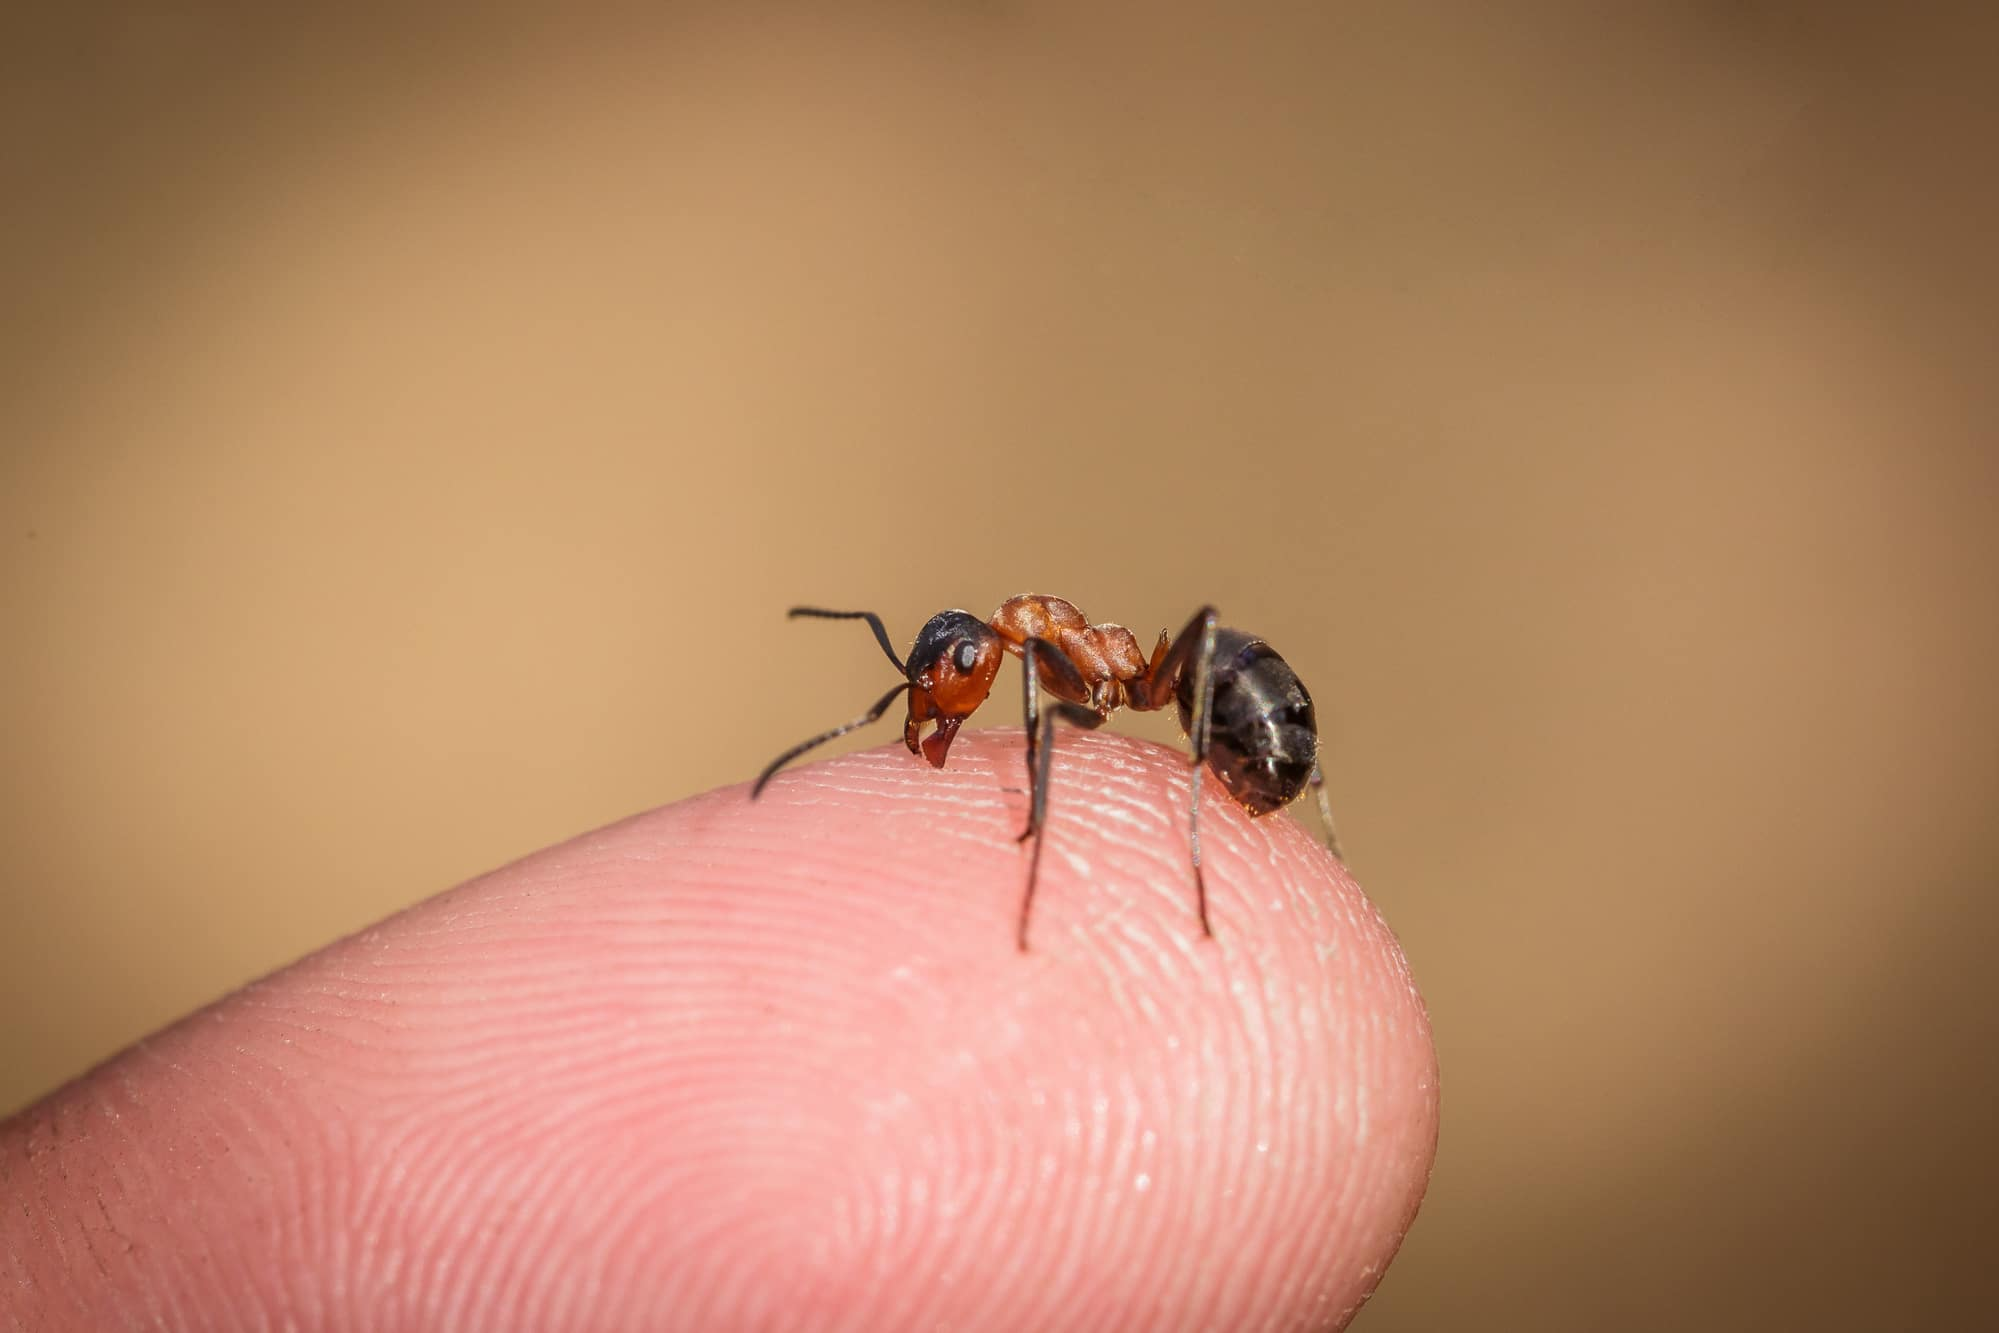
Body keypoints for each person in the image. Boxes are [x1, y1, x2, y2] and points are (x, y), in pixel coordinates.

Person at [1, 733, 1438, 1330]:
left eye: (941, 690)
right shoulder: (1030, 666)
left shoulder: (1077, 687)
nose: (935, 716)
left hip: (1218, 779)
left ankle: (1196, 842)